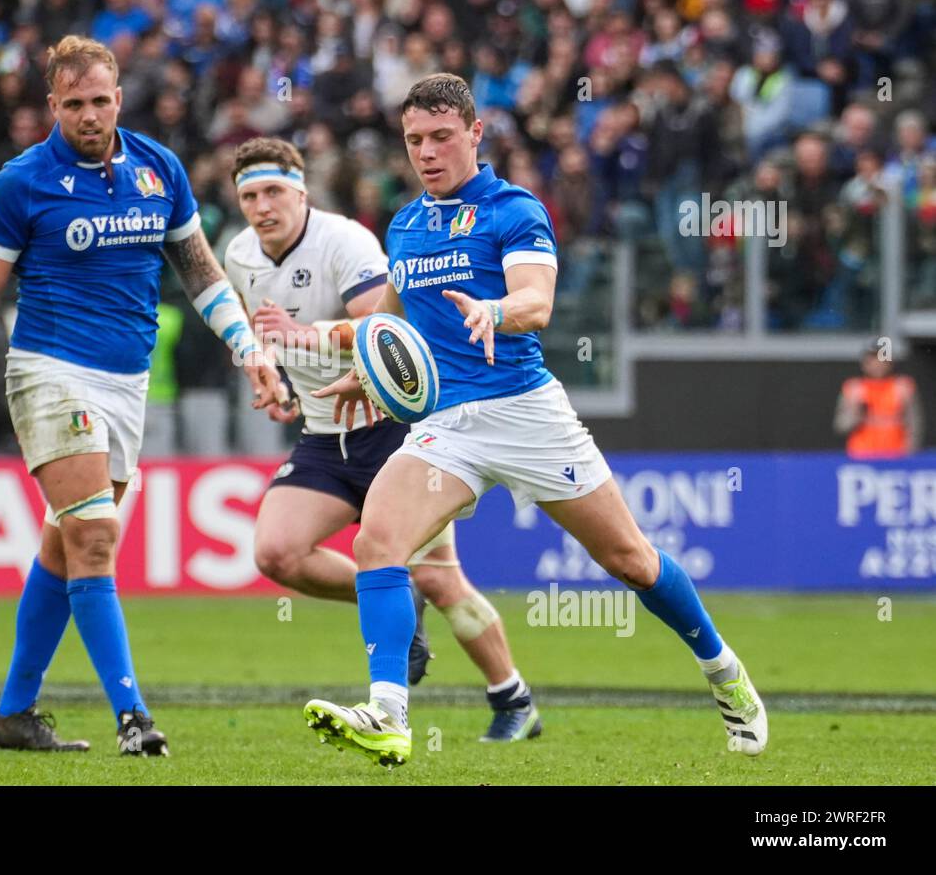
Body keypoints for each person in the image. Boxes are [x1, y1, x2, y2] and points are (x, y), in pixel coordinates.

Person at [306, 74, 768, 767]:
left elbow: (536, 302)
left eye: (440, 137)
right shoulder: (406, 224)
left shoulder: (512, 209)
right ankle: (389, 714)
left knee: (631, 561)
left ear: (475, 134)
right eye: (414, 141)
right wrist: (366, 367)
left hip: (527, 415)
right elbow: (393, 324)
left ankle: (725, 672)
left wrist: (495, 311)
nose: (426, 153)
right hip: (448, 426)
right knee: (377, 543)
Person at [0, 35, 281, 756]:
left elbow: (200, 273)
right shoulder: (19, 184)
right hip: (49, 371)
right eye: (74, 104)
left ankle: (14, 714)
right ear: (52, 106)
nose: (90, 115)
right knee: (97, 537)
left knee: (66, 547)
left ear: (119, 98)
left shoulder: (159, 170)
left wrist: (249, 352)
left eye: (101, 100)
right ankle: (133, 718)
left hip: (128, 385)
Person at [225, 136, 540, 743]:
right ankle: (398, 597)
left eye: (273, 191)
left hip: (393, 431)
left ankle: (514, 698)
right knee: (277, 553)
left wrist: (304, 336)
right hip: (323, 433)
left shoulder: (345, 242)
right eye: (249, 195)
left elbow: (384, 335)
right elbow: (259, 329)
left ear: (301, 190)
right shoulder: (240, 253)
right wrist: (273, 377)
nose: (262, 206)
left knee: (441, 577)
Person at [834, 346, 923, 458]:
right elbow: (841, 426)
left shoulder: (902, 387)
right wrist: (857, 413)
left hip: (896, 454)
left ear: (890, 363)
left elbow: (914, 424)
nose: (877, 366)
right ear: (864, 365)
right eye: (873, 362)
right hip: (862, 455)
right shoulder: (855, 389)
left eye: (882, 361)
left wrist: (910, 451)